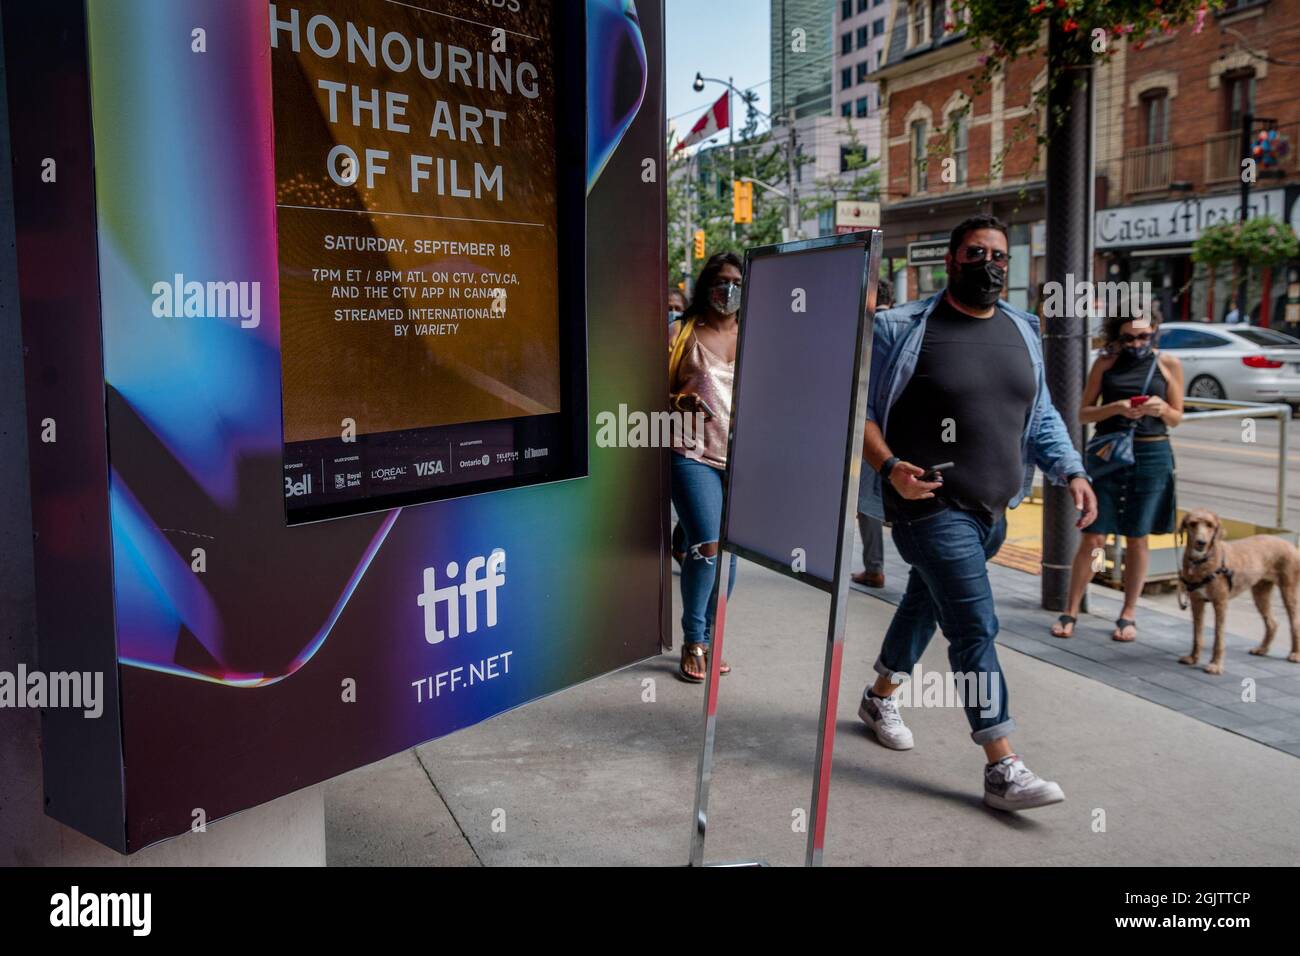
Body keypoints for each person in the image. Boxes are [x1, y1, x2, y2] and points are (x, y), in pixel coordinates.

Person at [857, 214, 1097, 811]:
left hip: (994, 510)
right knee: (972, 626)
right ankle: (1002, 766)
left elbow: (1040, 414)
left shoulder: (1022, 328)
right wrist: (890, 468)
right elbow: (854, 410)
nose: (987, 264)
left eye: (998, 256)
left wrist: (1072, 471)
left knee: (926, 601)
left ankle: (879, 694)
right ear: (951, 260)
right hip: (926, 505)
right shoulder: (900, 327)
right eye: (974, 254)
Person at [1051, 312, 1184, 642]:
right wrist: (1117, 407)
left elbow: (1177, 417)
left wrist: (1160, 409)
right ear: (1117, 336)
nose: (1136, 344)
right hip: (1108, 455)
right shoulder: (1105, 363)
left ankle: (1128, 613)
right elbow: (1083, 412)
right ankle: (1070, 609)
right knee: (1094, 535)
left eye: (1143, 337)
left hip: (1153, 454)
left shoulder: (1168, 363)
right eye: (1128, 338)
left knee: (1138, 537)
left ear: (1154, 332)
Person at [669, 252, 741, 682]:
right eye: (720, 279)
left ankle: (714, 637)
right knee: (709, 544)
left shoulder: (759, 335)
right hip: (690, 452)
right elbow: (646, 390)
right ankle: (694, 639)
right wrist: (678, 401)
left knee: (730, 551)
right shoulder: (681, 332)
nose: (728, 289)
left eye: (736, 281)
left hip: (745, 460)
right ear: (706, 284)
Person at [852, 277, 894, 589]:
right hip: (902, 431)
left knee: (867, 502)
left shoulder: (870, 329)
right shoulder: (908, 328)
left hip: (871, 432)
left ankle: (874, 567)